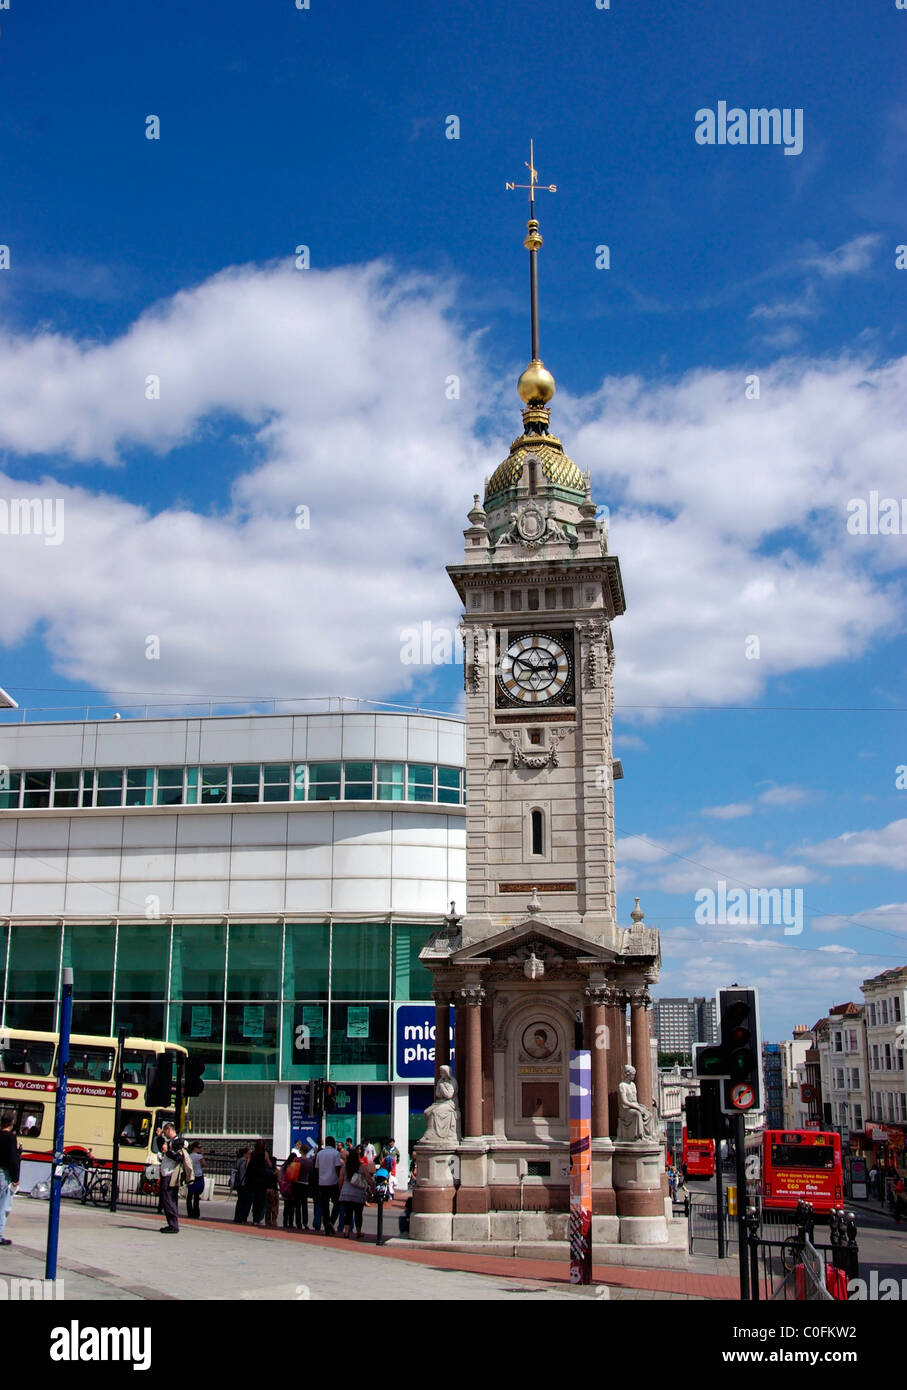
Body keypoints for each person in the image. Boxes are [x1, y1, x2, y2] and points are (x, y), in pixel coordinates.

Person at [338, 1146, 373, 1238]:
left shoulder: (345, 1166)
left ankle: (346, 1232)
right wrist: (373, 1189)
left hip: (346, 1193)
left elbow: (340, 1179)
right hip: (358, 1194)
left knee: (347, 1213)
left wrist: (341, 1189)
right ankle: (358, 1232)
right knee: (358, 1214)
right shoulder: (361, 1166)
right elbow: (369, 1178)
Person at [315, 1136, 345, 1234]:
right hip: (333, 1182)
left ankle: (327, 1224)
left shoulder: (319, 1154)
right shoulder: (336, 1153)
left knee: (324, 1205)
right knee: (337, 1203)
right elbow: (337, 1167)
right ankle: (331, 1222)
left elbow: (317, 1168)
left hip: (322, 1182)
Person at [243, 1139, 276, 1226]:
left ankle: (245, 1217)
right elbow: (270, 1165)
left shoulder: (252, 1153)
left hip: (252, 1179)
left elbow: (247, 1165)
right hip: (261, 1180)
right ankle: (257, 1219)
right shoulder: (265, 1154)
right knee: (260, 1200)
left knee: (251, 1200)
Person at [157, 1121, 182, 1234]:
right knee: (167, 1199)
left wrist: (167, 1152)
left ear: (168, 1130)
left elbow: (178, 1157)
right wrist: (159, 1137)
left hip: (170, 1174)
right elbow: (162, 1147)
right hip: (166, 1173)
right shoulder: (171, 1141)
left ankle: (173, 1225)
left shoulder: (177, 1142)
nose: (165, 1135)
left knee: (168, 1199)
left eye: (165, 1132)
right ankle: (171, 1224)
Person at [0, 1112, 20, 1246]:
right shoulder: (11, 1138)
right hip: (3, 1173)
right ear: (11, 1123)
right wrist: (15, 1178)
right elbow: (13, 1159)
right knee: (2, 1205)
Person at [231, 1146, 252, 1223]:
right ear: (245, 1154)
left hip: (240, 1184)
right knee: (244, 1201)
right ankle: (241, 1217)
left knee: (240, 1201)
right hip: (243, 1184)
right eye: (249, 1153)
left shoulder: (239, 1160)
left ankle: (238, 1217)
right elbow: (243, 1172)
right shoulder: (243, 1161)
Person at [185, 1141, 205, 1219]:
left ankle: (189, 1212)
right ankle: (196, 1213)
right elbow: (204, 1164)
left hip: (191, 1176)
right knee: (196, 1196)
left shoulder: (189, 1156)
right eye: (199, 1148)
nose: (200, 1149)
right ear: (195, 1148)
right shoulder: (199, 1156)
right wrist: (202, 1155)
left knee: (189, 1195)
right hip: (198, 1176)